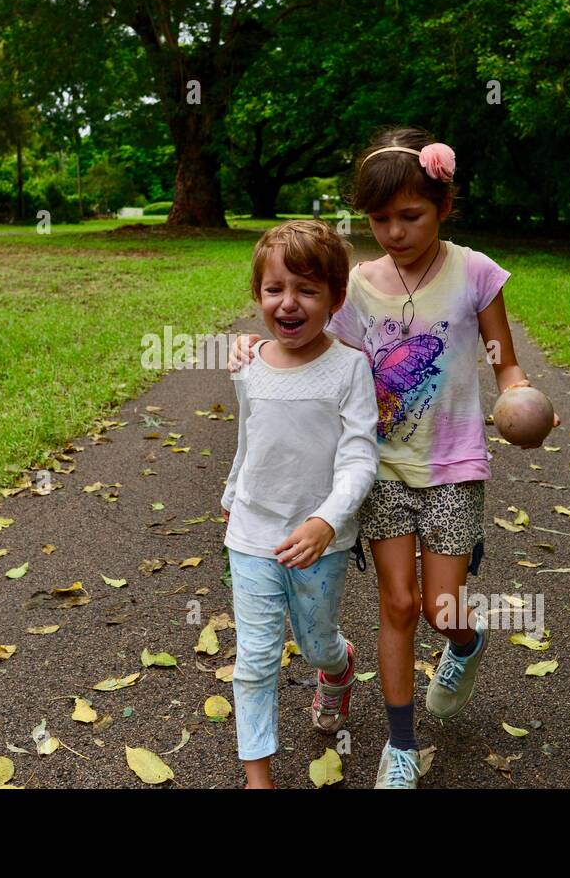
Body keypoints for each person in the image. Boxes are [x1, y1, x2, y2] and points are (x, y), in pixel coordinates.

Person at [229, 127, 559, 788]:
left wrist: (517, 391)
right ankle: (401, 745)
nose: (394, 232)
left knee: (441, 608)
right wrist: (250, 350)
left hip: (453, 465)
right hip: (380, 468)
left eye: (410, 215)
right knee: (400, 604)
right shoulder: (356, 285)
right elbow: (314, 344)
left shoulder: (476, 273)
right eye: (379, 219)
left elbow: (504, 357)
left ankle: (465, 641)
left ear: (445, 205)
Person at [220, 219, 379, 789]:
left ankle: (338, 670)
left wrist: (324, 520)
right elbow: (249, 437)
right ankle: (258, 777)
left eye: (307, 290)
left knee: (316, 642)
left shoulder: (350, 368)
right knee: (256, 657)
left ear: (336, 299)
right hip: (251, 535)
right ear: (257, 295)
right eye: (273, 290)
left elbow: (361, 457)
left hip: (322, 542)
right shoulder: (248, 364)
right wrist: (233, 494)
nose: (288, 303)